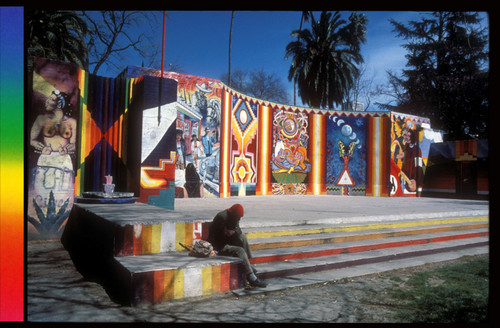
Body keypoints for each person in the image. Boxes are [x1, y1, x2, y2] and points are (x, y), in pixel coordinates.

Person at [207, 204, 267, 288]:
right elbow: (218, 237)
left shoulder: (235, 217)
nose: (239, 219)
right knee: (240, 250)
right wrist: (227, 234)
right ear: (233, 214)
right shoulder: (221, 217)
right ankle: (251, 277)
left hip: (228, 240)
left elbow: (239, 230)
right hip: (219, 245)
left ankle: (248, 264)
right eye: (238, 217)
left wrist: (234, 233)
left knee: (243, 238)